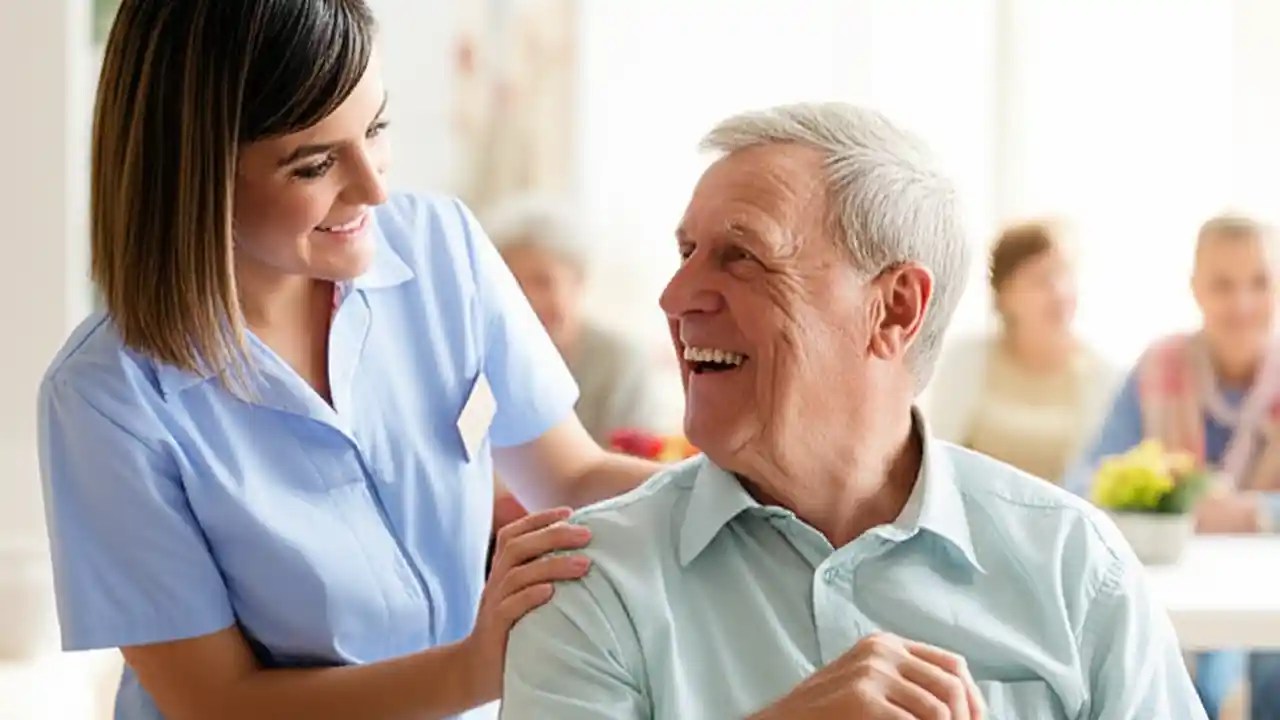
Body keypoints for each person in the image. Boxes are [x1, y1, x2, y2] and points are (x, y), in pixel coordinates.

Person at [36, 2, 656, 719]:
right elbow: (215, 701)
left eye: (376, 128)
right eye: (316, 163)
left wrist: (749, 493)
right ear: (195, 175)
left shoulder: (442, 248)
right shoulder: (106, 400)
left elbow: (571, 475)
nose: (374, 187)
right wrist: (476, 668)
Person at [500, 103, 1206, 720]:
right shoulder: (589, 580)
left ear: (895, 307)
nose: (677, 296)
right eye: (687, 252)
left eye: (740, 256)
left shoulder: (1075, 567)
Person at [1065, 214, 1280, 720]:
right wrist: (1168, 503)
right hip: (1179, 582)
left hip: (1270, 584)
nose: (1242, 303)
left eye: (1260, 283)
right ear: (1195, 289)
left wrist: (1252, 514)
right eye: (1223, 285)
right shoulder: (1160, 365)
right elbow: (1083, 480)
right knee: (1183, 678)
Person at [927, 220, 1119, 483]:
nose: (1060, 292)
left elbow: (1099, 482)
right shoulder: (965, 361)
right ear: (1005, 294)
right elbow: (936, 459)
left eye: (1065, 275)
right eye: (1042, 280)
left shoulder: (1102, 376)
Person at [485, 196, 674, 445]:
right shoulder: (482, 359)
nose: (528, 299)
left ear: (578, 281)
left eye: (543, 282)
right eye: (514, 283)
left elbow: (638, 458)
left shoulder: (619, 360)